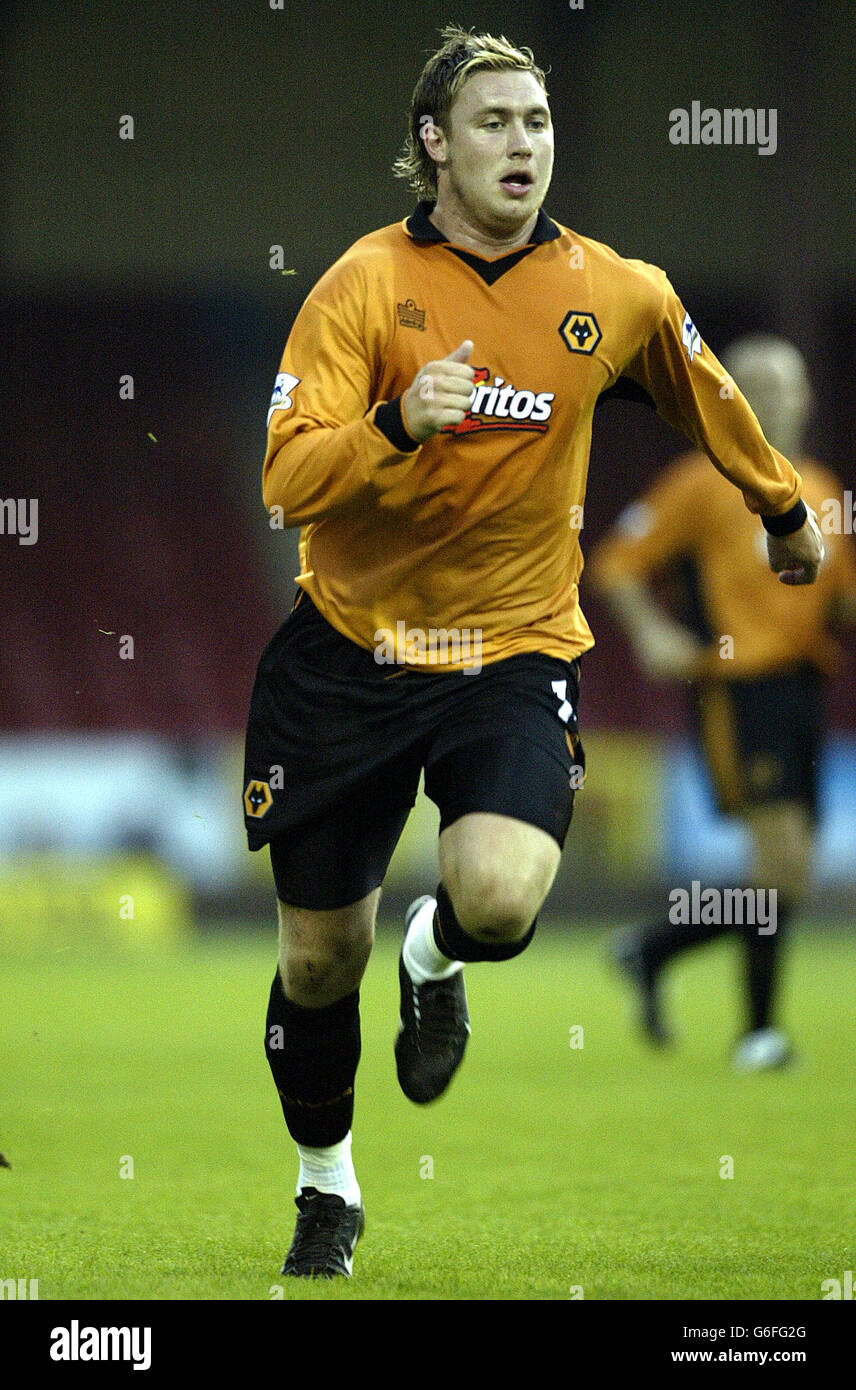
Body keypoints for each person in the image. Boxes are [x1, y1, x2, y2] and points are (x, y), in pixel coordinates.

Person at [242, 26, 823, 1278]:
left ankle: (433, 953)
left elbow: (709, 392)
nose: (523, 144)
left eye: (538, 123)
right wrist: (398, 420)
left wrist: (780, 508)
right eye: (495, 122)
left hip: (511, 648)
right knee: (312, 956)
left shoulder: (616, 290)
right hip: (348, 654)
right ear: (433, 144)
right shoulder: (357, 285)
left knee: (500, 903)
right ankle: (326, 1183)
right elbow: (288, 479)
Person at [590, 335, 856, 1069]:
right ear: (729, 395)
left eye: (788, 382)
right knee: (777, 859)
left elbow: (840, 603)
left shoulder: (827, 492)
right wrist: (652, 635)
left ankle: (653, 949)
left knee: (792, 869)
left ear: (808, 396)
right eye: (757, 383)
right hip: (738, 689)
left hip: (805, 691)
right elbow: (617, 565)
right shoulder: (702, 484)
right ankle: (760, 1033)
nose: (775, 395)